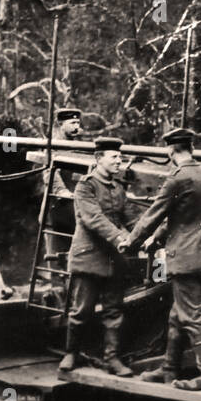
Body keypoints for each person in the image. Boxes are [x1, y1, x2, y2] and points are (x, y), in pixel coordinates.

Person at [128, 127, 201, 392]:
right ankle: (169, 367)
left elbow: (154, 214)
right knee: (176, 314)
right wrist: (156, 238)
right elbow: (183, 215)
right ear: (190, 148)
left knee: (192, 316)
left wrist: (131, 241)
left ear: (170, 150)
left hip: (185, 256)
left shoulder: (177, 178)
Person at [59, 136, 137, 376]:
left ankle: (112, 359)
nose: (119, 161)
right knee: (82, 310)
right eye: (114, 157)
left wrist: (144, 234)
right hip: (89, 257)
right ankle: (71, 353)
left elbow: (130, 218)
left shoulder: (118, 188)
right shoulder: (86, 186)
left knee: (114, 310)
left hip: (113, 259)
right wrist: (120, 238)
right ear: (98, 159)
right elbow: (93, 219)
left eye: (120, 157)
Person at [43, 107, 83, 258]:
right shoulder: (53, 146)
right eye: (72, 123)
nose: (76, 127)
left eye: (78, 123)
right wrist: (61, 191)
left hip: (72, 207)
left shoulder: (76, 146)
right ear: (60, 124)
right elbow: (49, 171)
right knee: (55, 253)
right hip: (56, 206)